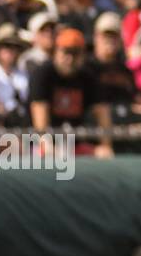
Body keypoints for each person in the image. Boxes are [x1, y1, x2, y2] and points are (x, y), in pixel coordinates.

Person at [29, 27, 113, 158]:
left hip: (74, 144)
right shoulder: (42, 74)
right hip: (41, 143)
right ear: (55, 52)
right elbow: (41, 128)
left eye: (75, 54)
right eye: (66, 52)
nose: (70, 59)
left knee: (104, 154)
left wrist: (106, 145)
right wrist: (53, 149)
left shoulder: (88, 77)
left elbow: (103, 112)